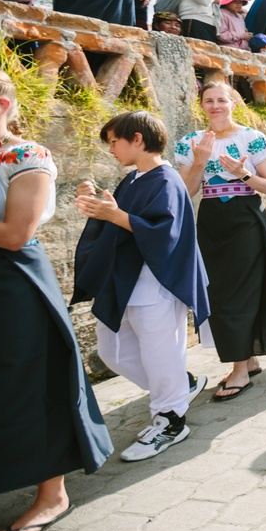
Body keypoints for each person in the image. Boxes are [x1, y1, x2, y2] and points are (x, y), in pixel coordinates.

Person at [0, 67, 112, 531]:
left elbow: (15, 233)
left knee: (33, 380)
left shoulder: (28, 156)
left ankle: (52, 493)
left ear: (0, 104)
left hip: (12, 284)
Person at [72, 111, 210, 461]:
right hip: (125, 279)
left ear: (137, 139)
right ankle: (181, 385)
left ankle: (170, 419)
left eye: (115, 141)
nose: (111, 149)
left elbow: (165, 232)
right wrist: (100, 206)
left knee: (160, 351)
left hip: (157, 282)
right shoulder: (133, 179)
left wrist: (113, 215)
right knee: (112, 351)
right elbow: (122, 218)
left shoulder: (167, 179)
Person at [175, 81, 266, 400]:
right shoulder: (192, 142)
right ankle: (248, 358)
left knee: (241, 290)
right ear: (201, 105)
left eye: (221, 100)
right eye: (208, 101)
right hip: (211, 218)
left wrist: (243, 174)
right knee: (218, 290)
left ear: (233, 103)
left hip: (246, 217)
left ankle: (239, 369)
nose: (215, 106)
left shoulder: (252, 138)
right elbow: (186, 192)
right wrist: (199, 161)